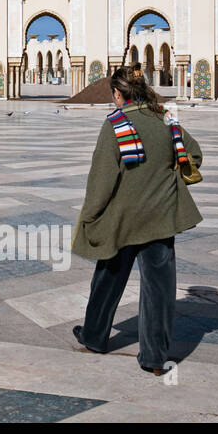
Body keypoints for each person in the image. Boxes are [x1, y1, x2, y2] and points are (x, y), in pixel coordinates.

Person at [72, 65, 204, 376]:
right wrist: (167, 179)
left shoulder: (117, 124)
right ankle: (155, 359)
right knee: (158, 289)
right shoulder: (165, 119)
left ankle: (94, 337)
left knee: (107, 279)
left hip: (123, 220)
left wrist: (91, 214)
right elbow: (192, 154)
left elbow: (102, 179)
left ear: (118, 94)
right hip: (159, 218)